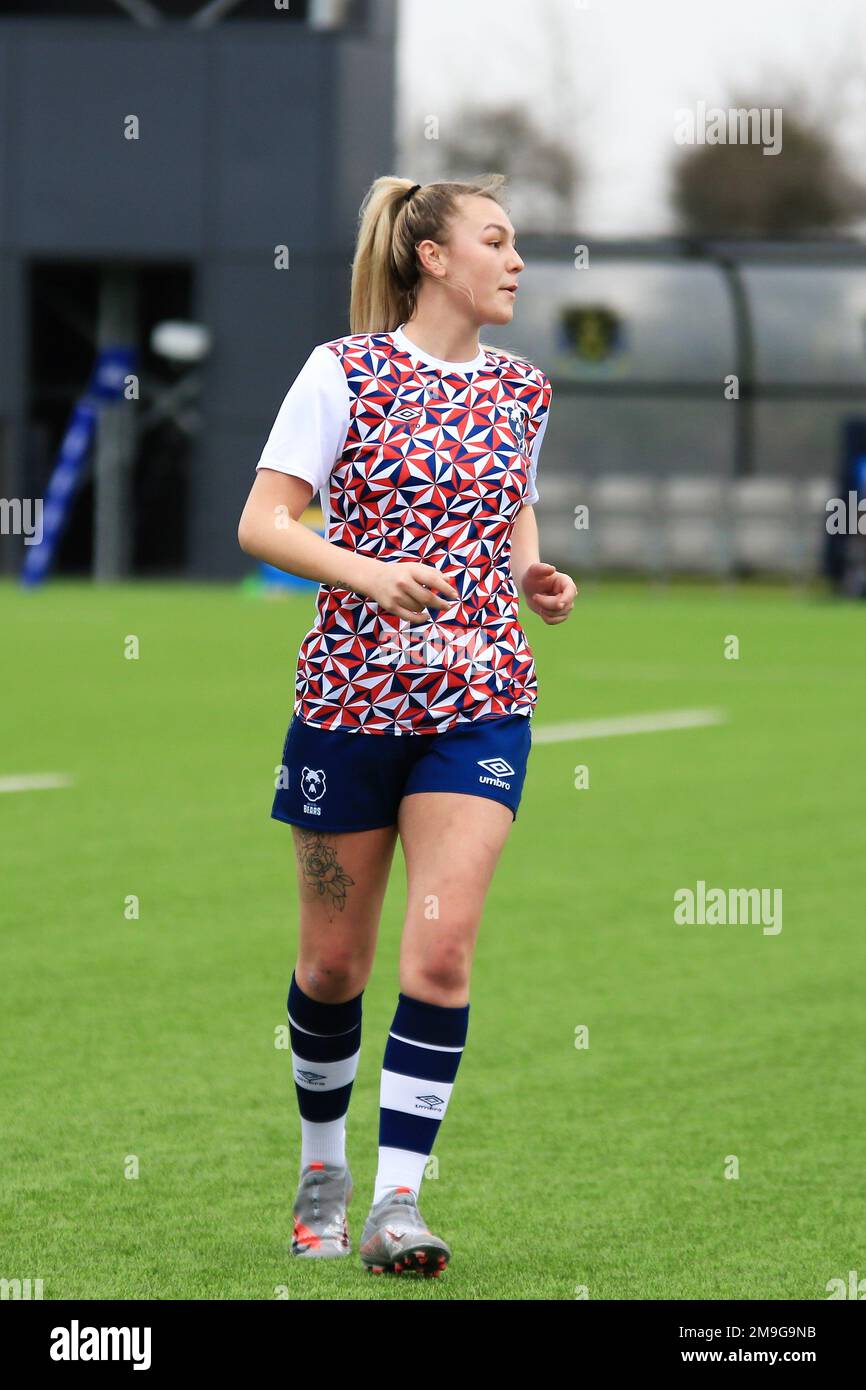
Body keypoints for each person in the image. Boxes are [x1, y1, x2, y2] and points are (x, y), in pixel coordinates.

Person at [237, 174, 577, 1278]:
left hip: (478, 706)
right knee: (332, 966)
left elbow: (507, 500)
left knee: (438, 949)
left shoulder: (523, 389)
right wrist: (369, 575)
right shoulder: (340, 372)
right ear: (432, 257)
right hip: (347, 708)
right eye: (497, 239)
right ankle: (323, 1166)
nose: (516, 259)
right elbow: (264, 520)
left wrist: (529, 570)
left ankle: (396, 1202)